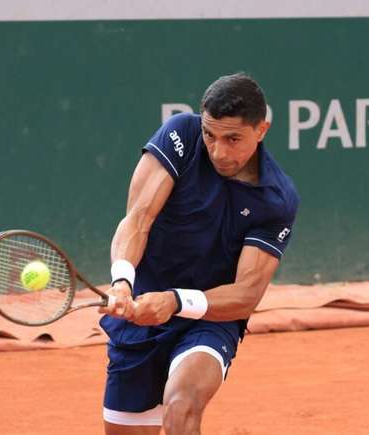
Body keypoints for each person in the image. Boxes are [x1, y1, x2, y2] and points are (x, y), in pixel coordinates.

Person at [98, 72, 299, 435]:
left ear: (262, 130)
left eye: (233, 138)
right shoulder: (181, 136)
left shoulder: (276, 199)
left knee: (181, 404)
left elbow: (245, 296)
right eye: (211, 135)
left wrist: (175, 302)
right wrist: (123, 281)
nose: (219, 151)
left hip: (209, 317)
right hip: (141, 311)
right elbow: (138, 218)